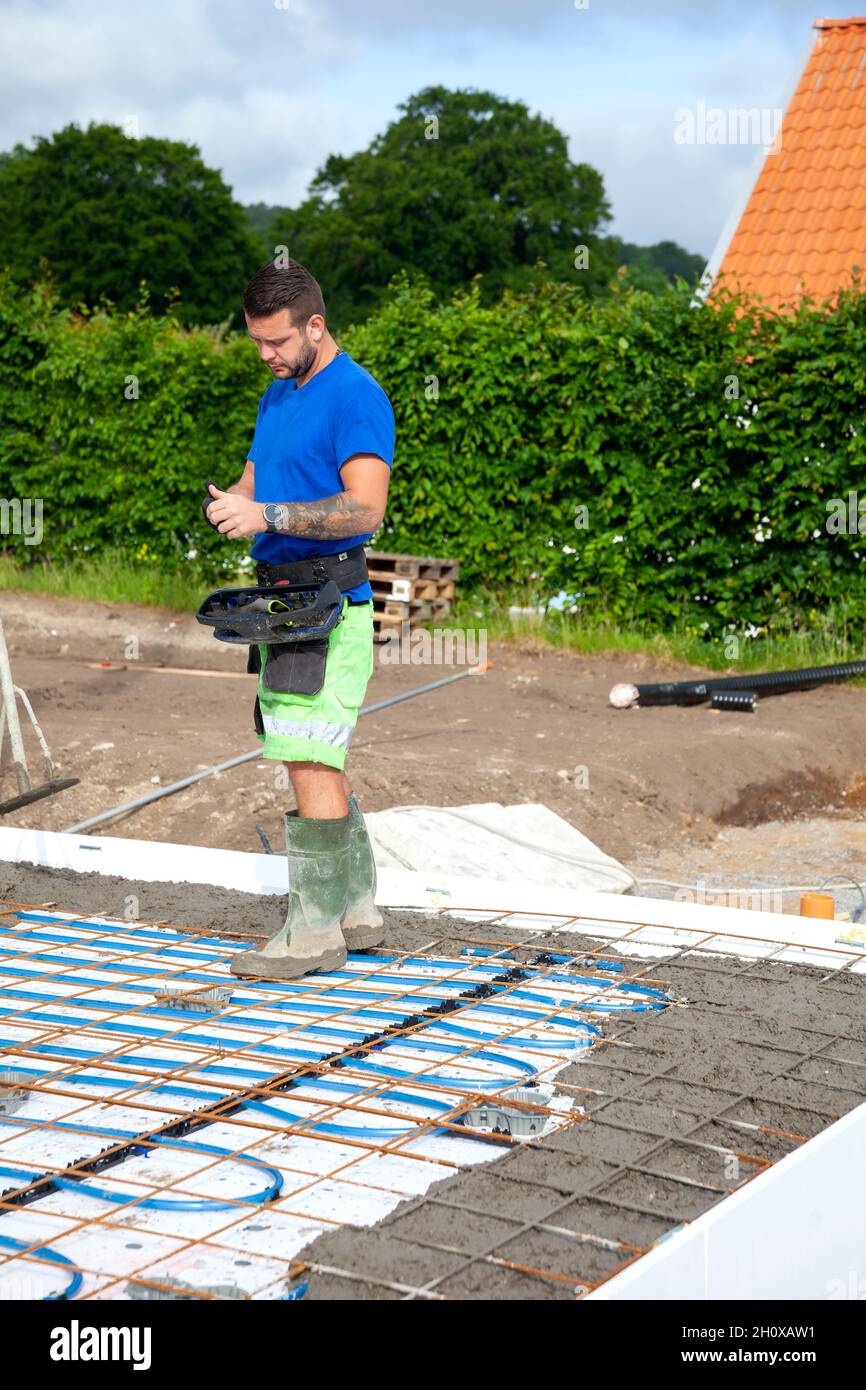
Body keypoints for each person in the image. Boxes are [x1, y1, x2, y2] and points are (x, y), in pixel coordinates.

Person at [203, 257, 394, 980]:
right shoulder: (278, 393)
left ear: (315, 324)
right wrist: (235, 503)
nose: (266, 356)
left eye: (277, 342)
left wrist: (268, 515)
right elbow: (260, 477)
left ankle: (313, 934)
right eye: (256, 342)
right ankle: (357, 910)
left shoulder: (356, 395)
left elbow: (366, 508)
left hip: (329, 603)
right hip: (283, 601)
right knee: (315, 753)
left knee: (309, 754)